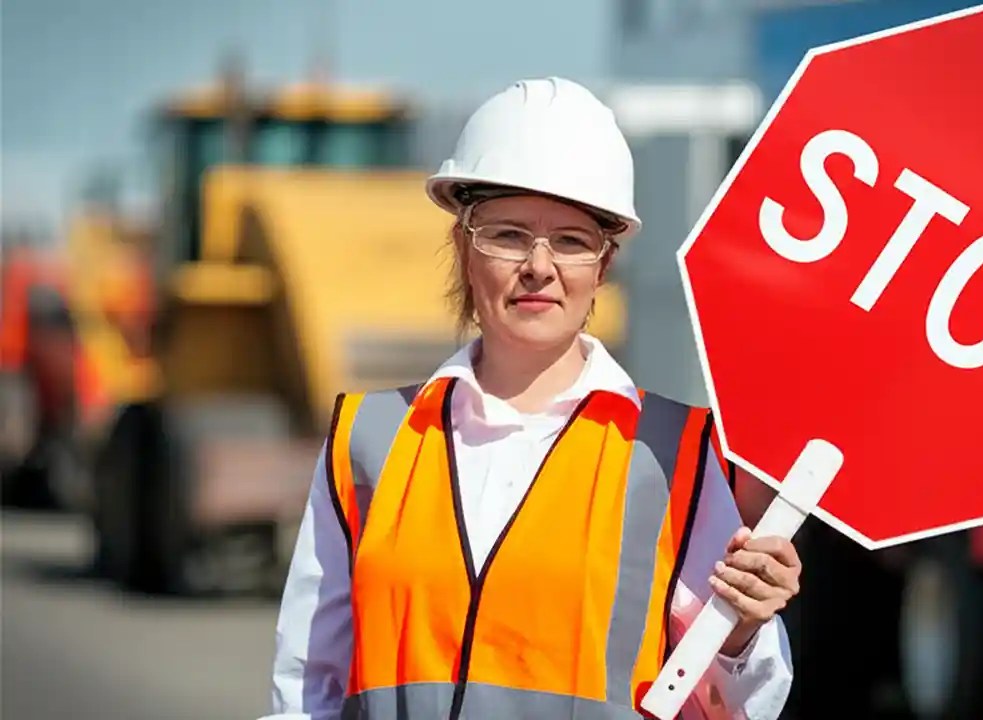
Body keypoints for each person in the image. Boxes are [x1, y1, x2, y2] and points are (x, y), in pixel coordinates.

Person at [263, 77, 800, 720]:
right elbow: (304, 685)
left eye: (571, 241)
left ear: (603, 266)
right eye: (509, 235)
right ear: (463, 249)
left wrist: (742, 631)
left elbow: (740, 699)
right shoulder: (369, 437)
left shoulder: (672, 454)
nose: (539, 267)